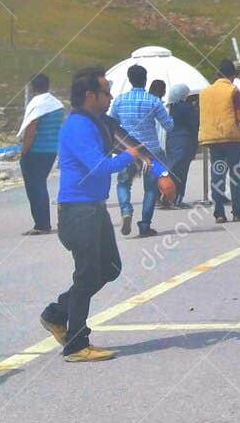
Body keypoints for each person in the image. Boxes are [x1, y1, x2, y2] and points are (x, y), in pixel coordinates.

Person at [40, 67, 176, 363]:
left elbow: (133, 144)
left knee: (110, 268)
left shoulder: (102, 122)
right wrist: (128, 157)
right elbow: (100, 167)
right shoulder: (77, 126)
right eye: (106, 92)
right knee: (87, 275)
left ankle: (57, 313)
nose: (110, 97)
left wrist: (162, 173)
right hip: (77, 211)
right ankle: (76, 344)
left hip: (94, 209)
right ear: (91, 96)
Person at [109, 62, 173, 237]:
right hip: (150, 151)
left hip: (127, 150)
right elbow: (168, 125)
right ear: (145, 80)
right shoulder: (153, 101)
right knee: (151, 189)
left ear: (129, 79)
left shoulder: (119, 100)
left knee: (123, 183)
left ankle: (126, 210)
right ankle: (145, 225)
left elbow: (112, 123)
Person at [198, 59, 240, 224]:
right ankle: (238, 211)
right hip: (231, 139)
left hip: (212, 139)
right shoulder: (233, 91)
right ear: (233, 75)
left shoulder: (205, 92)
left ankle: (219, 212)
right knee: (235, 174)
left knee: (217, 175)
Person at [17, 73, 64, 235]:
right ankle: (43, 222)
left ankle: (42, 224)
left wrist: (24, 151)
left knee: (35, 187)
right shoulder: (57, 104)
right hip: (51, 150)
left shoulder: (37, 104)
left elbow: (31, 130)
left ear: (32, 87)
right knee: (40, 184)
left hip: (36, 151)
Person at [163, 83, 198, 206]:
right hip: (184, 142)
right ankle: (176, 198)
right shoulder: (186, 108)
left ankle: (166, 196)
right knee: (181, 172)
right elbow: (194, 123)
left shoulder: (171, 107)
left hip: (172, 140)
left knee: (172, 169)